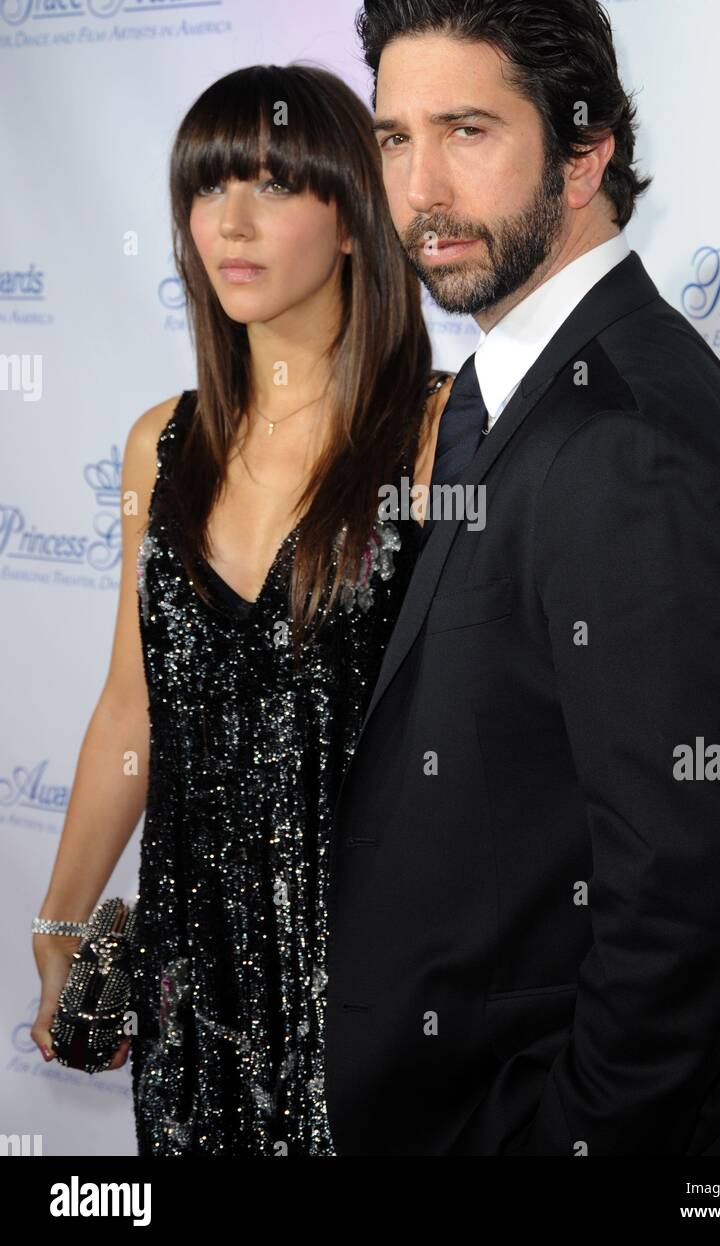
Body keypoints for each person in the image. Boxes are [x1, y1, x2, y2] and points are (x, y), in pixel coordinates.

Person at [322, 0, 720, 1155]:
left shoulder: (620, 435)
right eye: (395, 138)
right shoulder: (497, 389)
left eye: (466, 131)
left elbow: (677, 899)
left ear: (584, 153)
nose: (419, 190)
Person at [30, 63, 452, 1155]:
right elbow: (131, 710)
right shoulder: (158, 444)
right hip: (191, 987)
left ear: (356, 219)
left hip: (376, 981)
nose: (233, 221)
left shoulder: (437, 435)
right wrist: (61, 922)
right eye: (209, 188)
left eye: (274, 185)